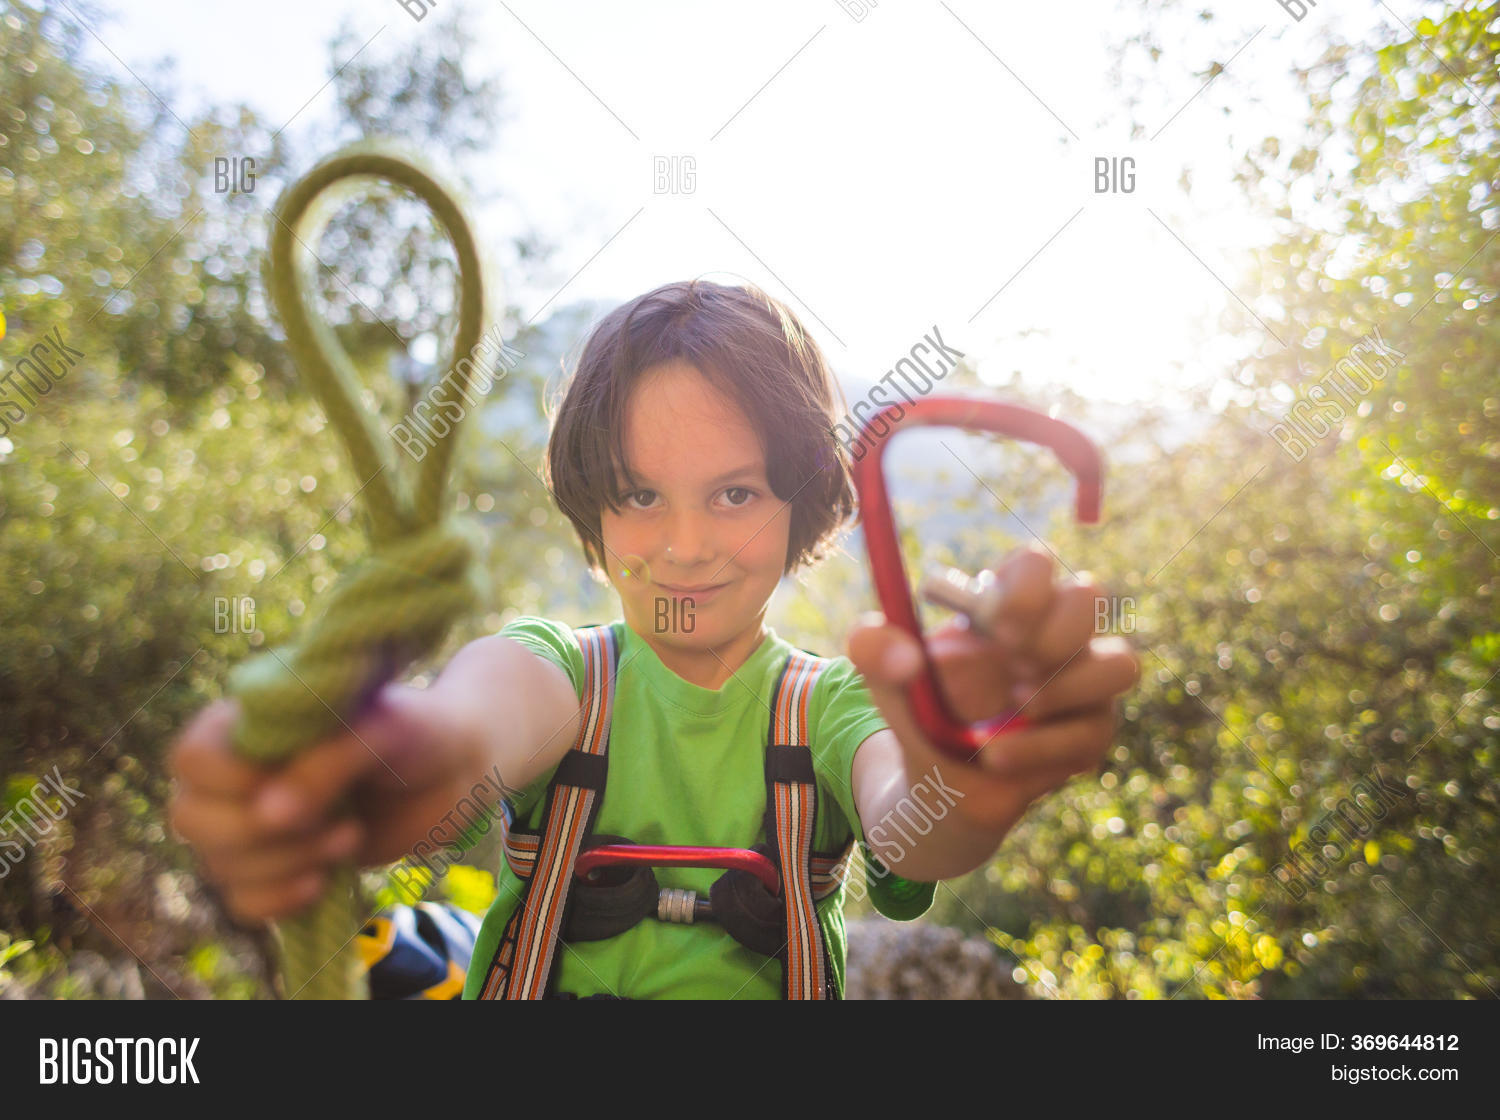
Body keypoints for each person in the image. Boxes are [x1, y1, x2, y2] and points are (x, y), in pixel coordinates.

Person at [168, 279, 1139, 999]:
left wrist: (965, 775)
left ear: (802, 506)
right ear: (594, 509)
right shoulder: (556, 674)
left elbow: (913, 819)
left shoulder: (831, 706)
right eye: (639, 494)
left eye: (734, 493)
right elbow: (464, 733)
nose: (683, 547)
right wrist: (361, 775)